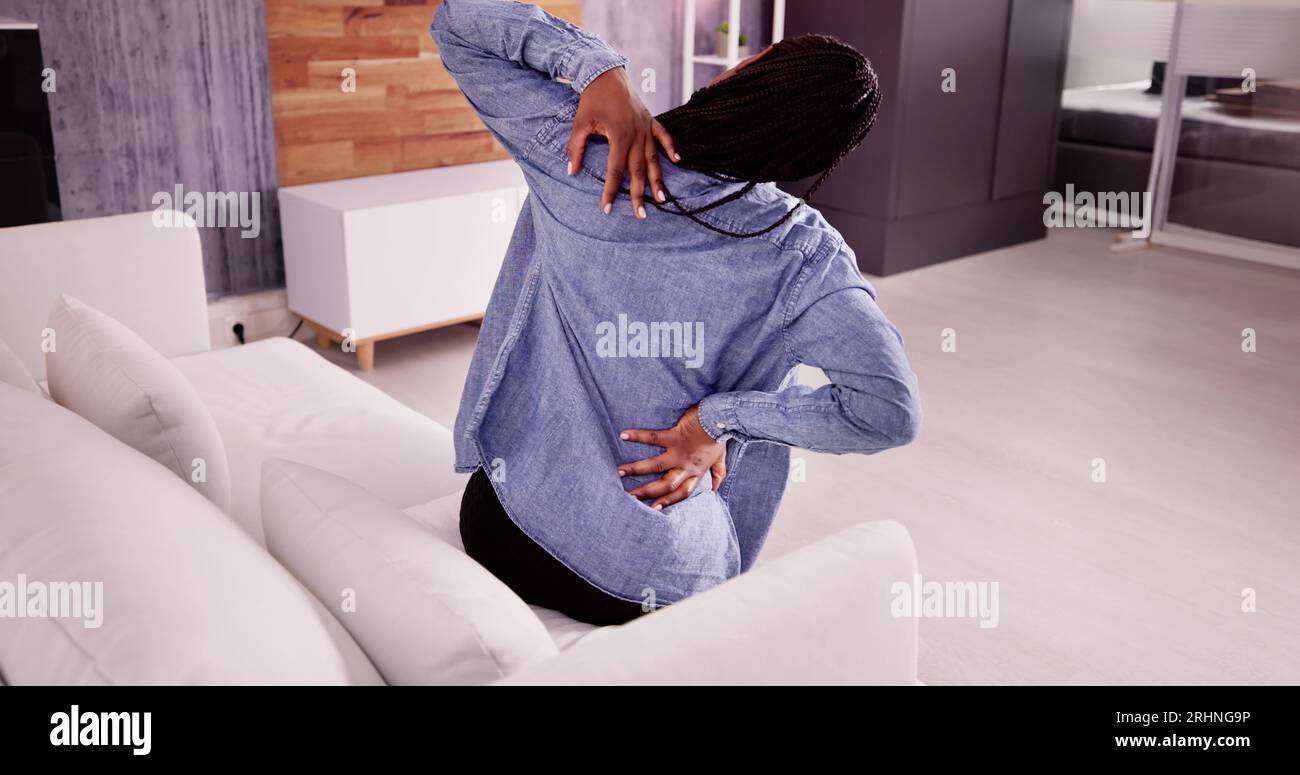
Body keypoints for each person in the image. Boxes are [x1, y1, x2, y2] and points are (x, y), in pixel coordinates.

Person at [431, 0, 920, 625]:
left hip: (509, 534)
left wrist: (597, 71)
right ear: (807, 157)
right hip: (664, 575)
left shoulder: (580, 152)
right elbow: (888, 412)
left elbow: (461, 20)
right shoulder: (805, 255)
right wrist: (714, 423)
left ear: (742, 75)